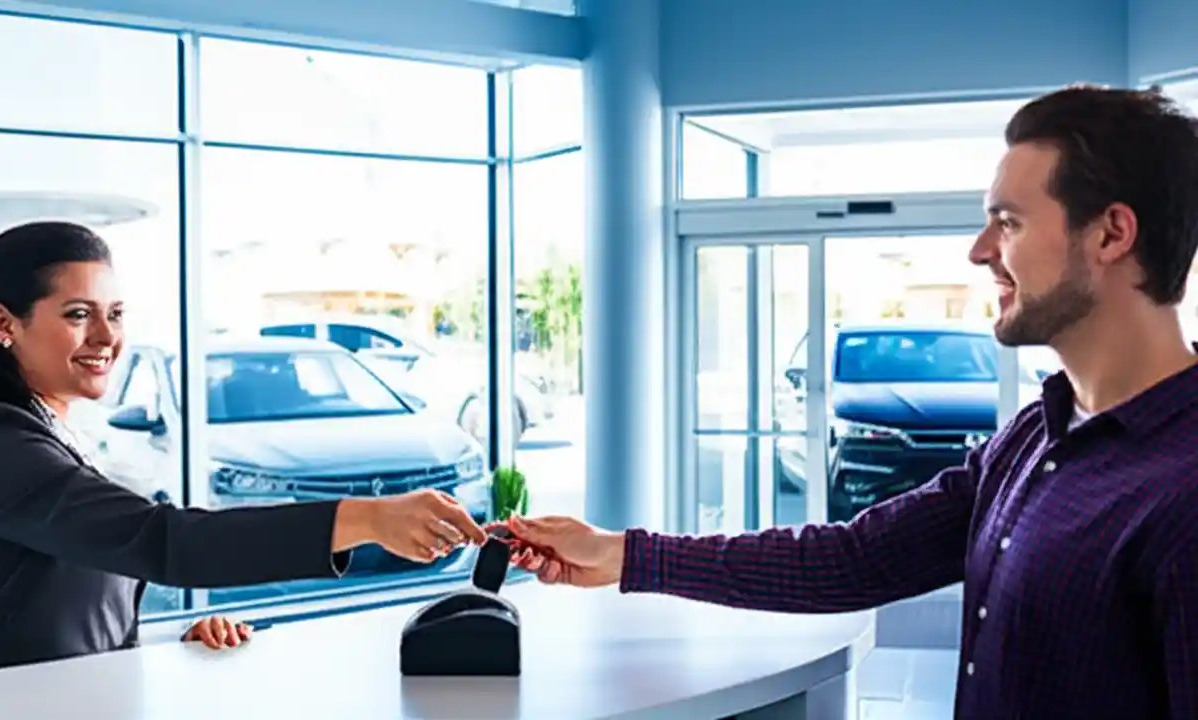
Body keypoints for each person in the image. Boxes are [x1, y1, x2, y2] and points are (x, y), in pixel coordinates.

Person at [501, 85, 1198, 720]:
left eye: (1008, 223)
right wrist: (622, 554)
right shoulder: (1033, 438)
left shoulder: (1184, 491)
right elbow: (854, 558)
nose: (979, 250)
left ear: (1111, 234)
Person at [0, 221, 487, 674]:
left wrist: (175, 640)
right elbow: (161, 540)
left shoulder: (48, 431)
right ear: (3, 324)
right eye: (78, 314)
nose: (106, 337)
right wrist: (366, 518)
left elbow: (66, 612)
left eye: (115, 314)